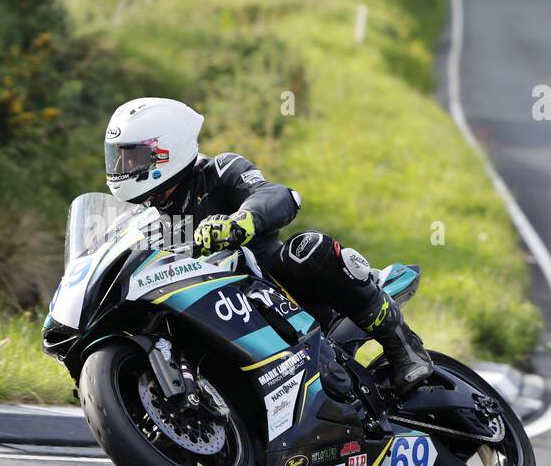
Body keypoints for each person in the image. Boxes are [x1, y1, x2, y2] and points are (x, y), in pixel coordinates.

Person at [103, 96, 433, 395]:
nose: (120, 169)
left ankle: (403, 347)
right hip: (204, 310)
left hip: (273, 289)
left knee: (308, 248)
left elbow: (278, 196)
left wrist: (240, 221)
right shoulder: (140, 220)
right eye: (117, 159)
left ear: (164, 152)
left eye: (130, 158)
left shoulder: (219, 170)